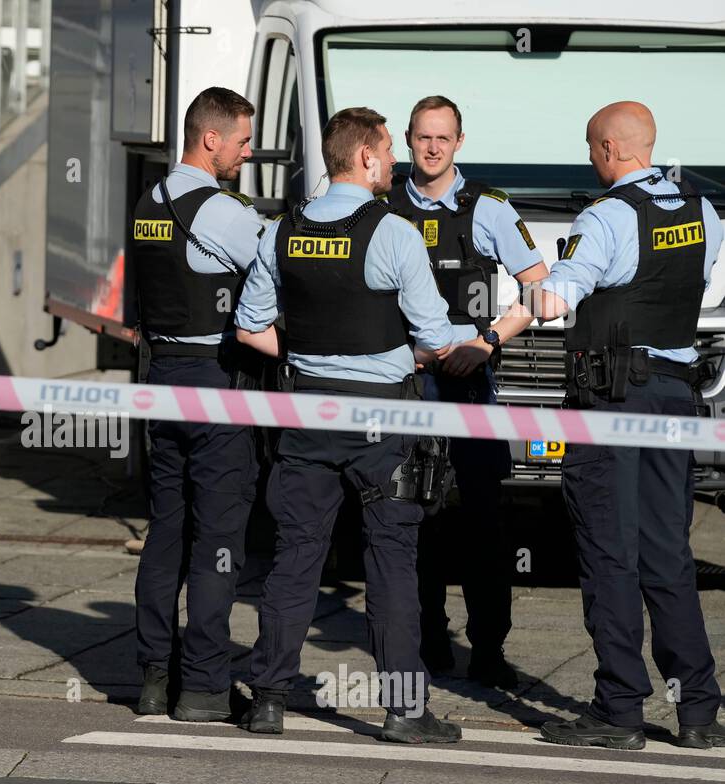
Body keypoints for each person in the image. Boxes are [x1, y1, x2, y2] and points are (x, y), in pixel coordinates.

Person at [444, 101, 724, 749]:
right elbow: (699, 285)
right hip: (675, 400)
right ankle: (697, 711)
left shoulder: (606, 218)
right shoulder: (701, 210)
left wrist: (490, 337)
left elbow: (554, 297)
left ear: (607, 149)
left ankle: (619, 709)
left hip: (612, 402)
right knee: (669, 554)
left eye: (591, 149)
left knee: (608, 551)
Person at [235, 107, 486, 743]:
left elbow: (249, 326)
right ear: (368, 158)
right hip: (381, 419)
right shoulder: (394, 231)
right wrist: (471, 338)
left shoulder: (281, 231)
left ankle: (267, 699)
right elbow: (432, 337)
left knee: (295, 558)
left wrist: (305, 359)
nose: (398, 162)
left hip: (306, 412)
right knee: (391, 561)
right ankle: (404, 711)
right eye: (388, 153)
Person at [387, 95, 549, 687]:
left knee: (485, 518)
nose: (432, 148)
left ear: (460, 142)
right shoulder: (384, 206)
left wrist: (487, 340)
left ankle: (488, 649)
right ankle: (428, 642)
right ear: (408, 140)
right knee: (416, 514)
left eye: (443, 139)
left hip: (473, 378)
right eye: (422, 138)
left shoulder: (490, 208)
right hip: (409, 380)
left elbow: (540, 288)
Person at [131, 87, 267, 722]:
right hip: (215, 381)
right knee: (218, 538)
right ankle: (206, 687)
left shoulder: (148, 201)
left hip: (161, 379)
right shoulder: (219, 210)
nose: (247, 151)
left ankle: (154, 677)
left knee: (165, 533)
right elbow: (281, 266)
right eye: (241, 140)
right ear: (210, 139)